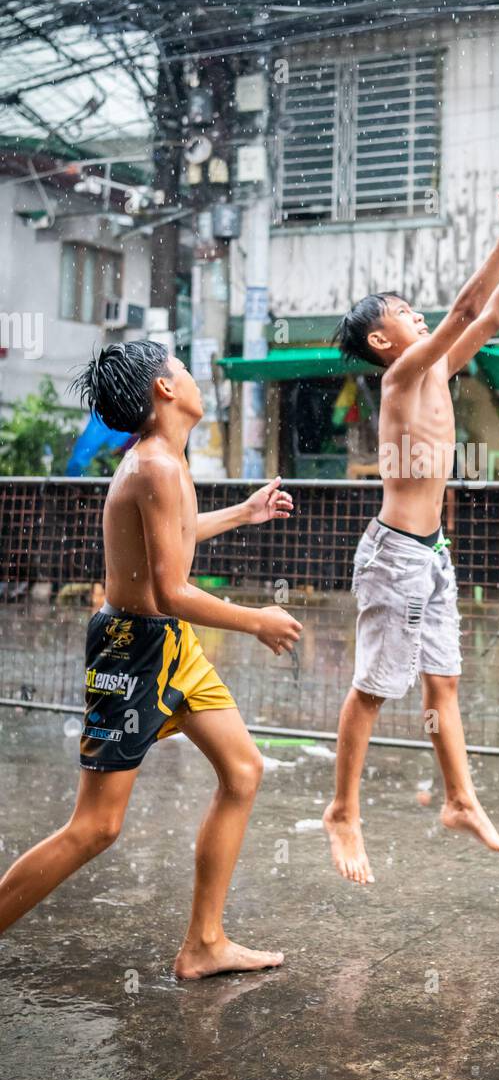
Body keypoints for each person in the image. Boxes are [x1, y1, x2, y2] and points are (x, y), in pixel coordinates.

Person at [0, 341, 302, 980]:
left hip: (171, 649)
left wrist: (243, 513)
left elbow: (174, 539)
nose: (195, 379)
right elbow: (171, 589)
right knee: (97, 827)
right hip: (132, 651)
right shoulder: (155, 466)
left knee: (243, 771)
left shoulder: (165, 460)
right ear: (165, 390)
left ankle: (205, 944)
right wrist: (256, 621)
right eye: (185, 369)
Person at [325, 181, 499, 884]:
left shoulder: (437, 364)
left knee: (445, 687)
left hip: (432, 555)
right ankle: (343, 810)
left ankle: (460, 800)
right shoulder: (404, 373)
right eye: (404, 312)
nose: (419, 314)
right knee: (374, 689)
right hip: (395, 556)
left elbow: (490, 315)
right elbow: (468, 305)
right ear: (383, 340)